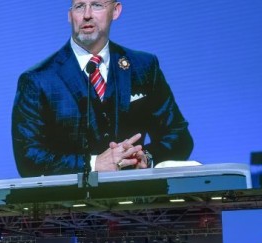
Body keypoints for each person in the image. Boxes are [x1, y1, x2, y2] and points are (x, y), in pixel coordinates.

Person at [11, 0, 193, 178]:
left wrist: (145, 157)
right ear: (69, 15)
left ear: (116, 10)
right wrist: (93, 164)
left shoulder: (143, 67)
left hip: (136, 202)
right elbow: (28, 160)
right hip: (71, 205)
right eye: (80, 6)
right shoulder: (38, 79)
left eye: (97, 5)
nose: (87, 15)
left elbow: (179, 136)